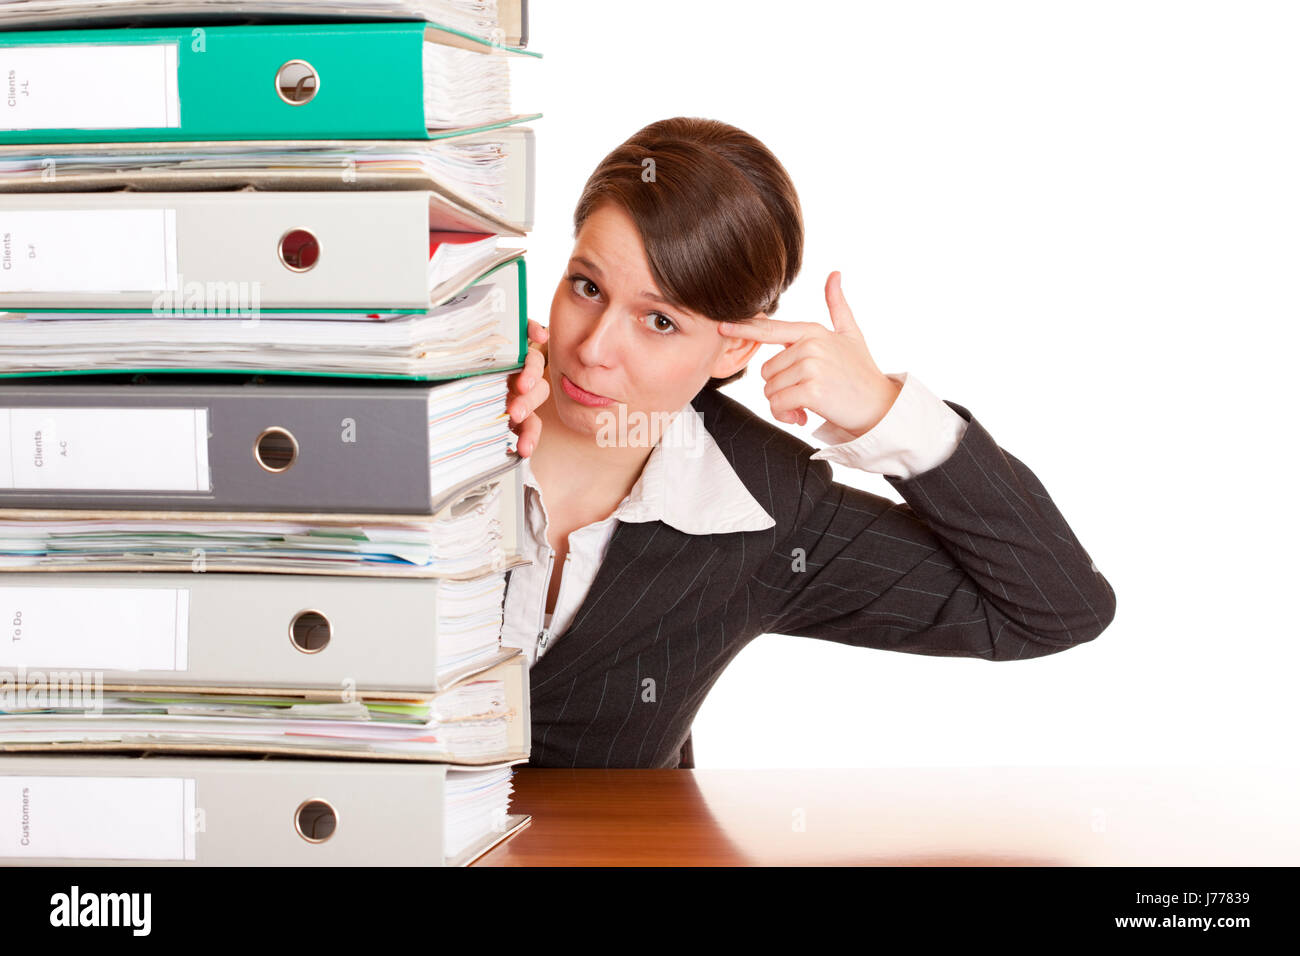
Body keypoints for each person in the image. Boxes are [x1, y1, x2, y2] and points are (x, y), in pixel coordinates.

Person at [499, 116, 1116, 769]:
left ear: (735, 344)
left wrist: (883, 411)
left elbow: (1054, 608)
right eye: (587, 286)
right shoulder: (445, 399)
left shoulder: (762, 504)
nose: (592, 349)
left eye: (659, 320)